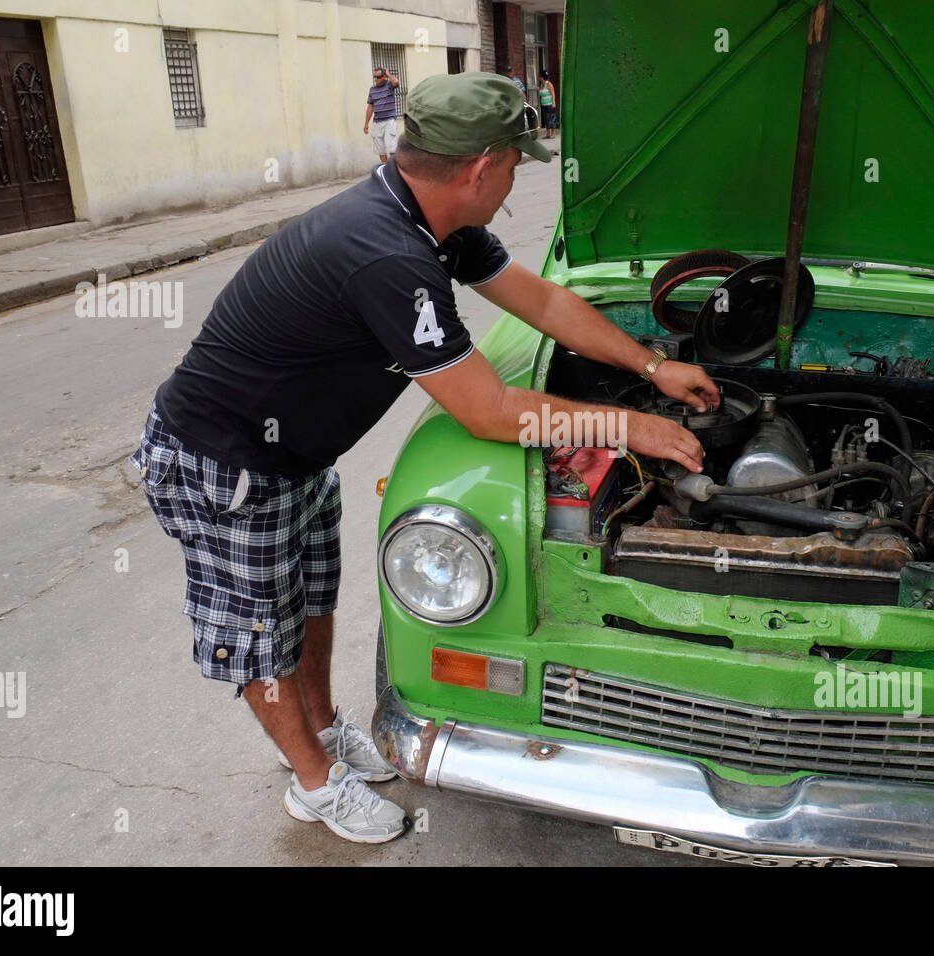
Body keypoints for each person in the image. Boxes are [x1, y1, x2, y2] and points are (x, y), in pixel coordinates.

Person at [128, 73, 718, 846]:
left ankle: (326, 734)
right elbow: (488, 409)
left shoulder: (435, 219)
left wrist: (652, 368)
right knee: (256, 632)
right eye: (516, 163)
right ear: (481, 168)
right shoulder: (382, 251)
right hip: (223, 465)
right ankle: (314, 785)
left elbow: (542, 303)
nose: (514, 180)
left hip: (296, 458)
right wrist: (629, 427)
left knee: (309, 603)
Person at [364, 67, 400, 164]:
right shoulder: (372, 89)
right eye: (374, 77)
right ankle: (385, 168)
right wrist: (366, 123)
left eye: (378, 77)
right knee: (380, 149)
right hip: (377, 122)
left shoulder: (389, 85)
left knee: (391, 147)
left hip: (389, 120)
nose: (376, 79)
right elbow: (370, 107)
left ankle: (395, 169)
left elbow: (396, 82)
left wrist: (388, 74)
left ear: (384, 77)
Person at [538, 70, 558, 140]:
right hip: (543, 105)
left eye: (540, 77)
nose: (539, 78)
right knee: (546, 120)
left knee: (551, 119)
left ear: (542, 77)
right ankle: (548, 134)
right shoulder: (541, 85)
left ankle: (553, 133)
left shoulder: (549, 84)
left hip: (550, 104)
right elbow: (541, 93)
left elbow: (553, 94)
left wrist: (553, 104)